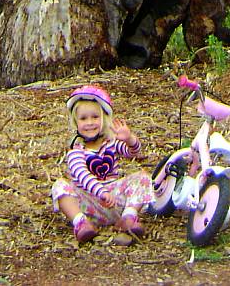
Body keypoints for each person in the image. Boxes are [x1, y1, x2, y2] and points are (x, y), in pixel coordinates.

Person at [51, 84, 155, 244]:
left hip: (114, 201)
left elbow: (133, 153)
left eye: (95, 117)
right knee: (60, 186)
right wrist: (101, 192)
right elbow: (82, 175)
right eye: (83, 118)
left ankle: (128, 217)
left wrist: (129, 139)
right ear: (76, 122)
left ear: (103, 119)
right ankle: (81, 223)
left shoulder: (110, 143)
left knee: (142, 177)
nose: (90, 123)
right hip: (91, 204)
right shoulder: (76, 151)